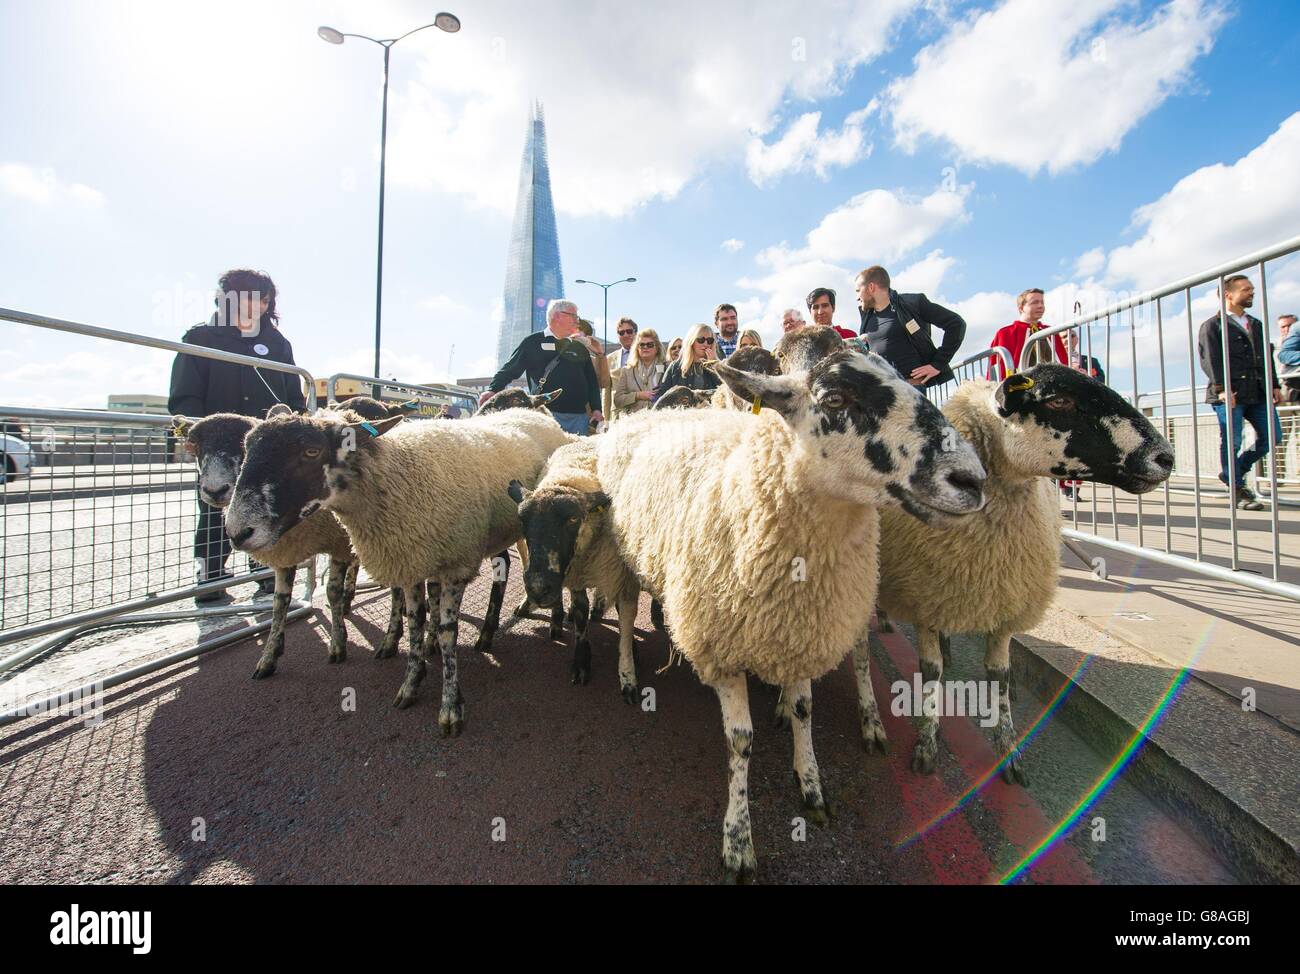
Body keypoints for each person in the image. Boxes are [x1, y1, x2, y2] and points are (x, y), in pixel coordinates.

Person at [168, 268, 307, 603]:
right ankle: (210, 577)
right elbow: (185, 393)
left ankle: (265, 574)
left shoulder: (277, 343)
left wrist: (297, 428)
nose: (255, 306)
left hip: (263, 444)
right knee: (215, 507)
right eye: (246, 298)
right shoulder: (201, 338)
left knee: (262, 506)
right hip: (219, 443)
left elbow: (293, 395)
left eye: (262, 299)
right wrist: (188, 432)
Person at [1197, 275, 1283, 510]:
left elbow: (1266, 356)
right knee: (1232, 440)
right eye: (1246, 289)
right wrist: (1221, 389)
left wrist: (1274, 384)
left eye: (1252, 289)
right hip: (1229, 393)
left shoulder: (1255, 324)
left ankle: (1235, 470)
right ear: (1228, 294)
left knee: (1271, 438)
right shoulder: (1212, 326)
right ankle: (1237, 488)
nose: (1251, 293)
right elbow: (1210, 360)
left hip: (1258, 392)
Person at [482, 299, 603, 436]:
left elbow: (592, 382)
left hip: (578, 419)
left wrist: (597, 409)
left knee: (577, 456)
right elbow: (510, 369)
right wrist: (493, 390)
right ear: (558, 316)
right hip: (544, 417)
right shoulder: (532, 342)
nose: (577, 321)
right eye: (574, 316)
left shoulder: (580, 348)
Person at [855, 265, 966, 387]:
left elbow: (956, 324)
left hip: (912, 389)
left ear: (871, 287)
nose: (857, 297)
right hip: (881, 393)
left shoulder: (913, 303)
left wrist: (938, 364)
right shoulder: (867, 316)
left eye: (858, 291)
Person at [986, 288, 1067, 380]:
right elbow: (998, 367)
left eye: (1042, 302)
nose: (1040, 306)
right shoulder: (1006, 333)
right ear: (1021, 308)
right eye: (1034, 302)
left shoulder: (1051, 331)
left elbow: (1063, 361)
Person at [654, 323, 721, 400]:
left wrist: (713, 365)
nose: (705, 344)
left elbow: (724, 391)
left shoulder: (717, 366)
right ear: (691, 341)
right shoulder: (675, 366)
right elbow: (662, 395)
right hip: (681, 411)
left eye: (709, 340)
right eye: (701, 340)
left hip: (709, 411)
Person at [612, 328, 667, 420]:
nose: (645, 347)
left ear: (657, 348)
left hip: (659, 421)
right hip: (633, 423)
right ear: (637, 348)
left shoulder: (666, 369)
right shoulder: (627, 371)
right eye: (642, 345)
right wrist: (638, 395)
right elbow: (617, 400)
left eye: (650, 344)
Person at [604, 316, 638, 416]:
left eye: (629, 331)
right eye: (621, 332)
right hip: (617, 413)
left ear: (636, 333)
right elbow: (606, 391)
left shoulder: (646, 353)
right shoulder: (609, 359)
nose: (626, 335)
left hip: (640, 411)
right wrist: (605, 418)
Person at [1275, 314, 1300, 403]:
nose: (1287, 329)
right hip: (1282, 386)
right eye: (1283, 327)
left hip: (1296, 384)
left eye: (1290, 325)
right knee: (1283, 415)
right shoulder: (1272, 347)